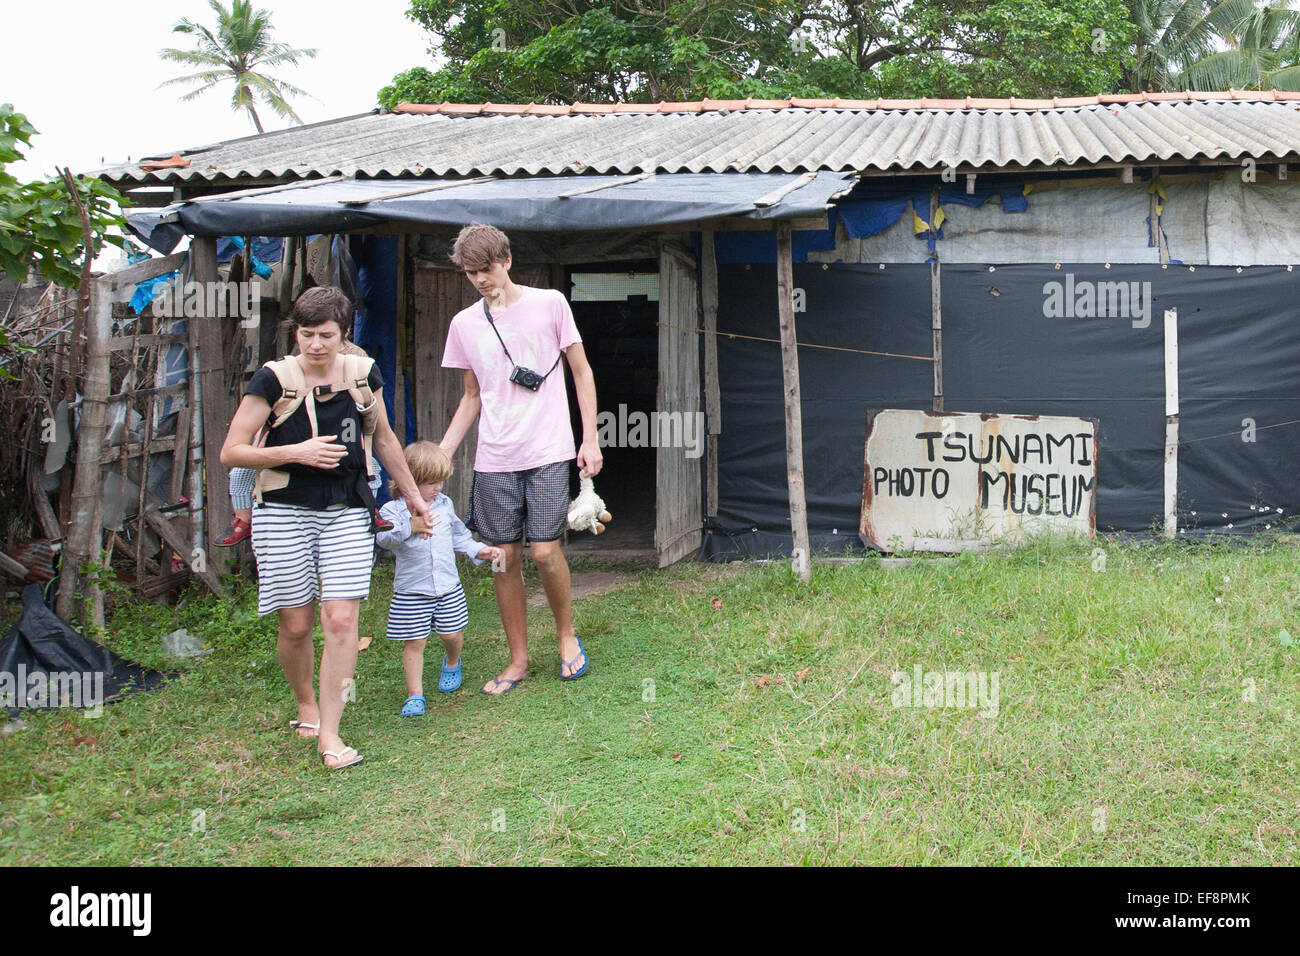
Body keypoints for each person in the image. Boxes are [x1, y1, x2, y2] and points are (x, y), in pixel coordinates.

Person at [220, 286, 431, 769]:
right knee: (295, 624)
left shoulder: (362, 375)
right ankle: (306, 704)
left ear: (344, 334)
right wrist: (296, 452)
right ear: (296, 333)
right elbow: (232, 450)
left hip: (347, 508)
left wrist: (414, 498)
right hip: (283, 507)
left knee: (340, 618)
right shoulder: (273, 379)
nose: (316, 344)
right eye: (307, 334)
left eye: (326, 335)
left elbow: (384, 438)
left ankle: (331, 735)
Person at [438, 222, 602, 695]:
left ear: (506, 260)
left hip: (549, 448)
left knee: (546, 550)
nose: (480, 279)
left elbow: (581, 370)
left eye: (486, 269)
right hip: (494, 456)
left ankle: (566, 636)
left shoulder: (551, 303)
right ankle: (518, 659)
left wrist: (589, 439)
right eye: (471, 273)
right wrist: (444, 454)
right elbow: (471, 395)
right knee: (502, 559)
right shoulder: (464, 324)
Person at [217, 339, 388, 547]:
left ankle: (373, 507)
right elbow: (241, 443)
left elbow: (379, 436)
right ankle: (243, 519)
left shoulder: (357, 379)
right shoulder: (283, 379)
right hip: (279, 469)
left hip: (340, 465)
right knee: (239, 473)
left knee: (372, 468)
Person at [376, 441, 503, 715]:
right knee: (415, 642)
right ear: (408, 480)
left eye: (441, 482)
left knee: (451, 633)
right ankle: (415, 695)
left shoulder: (444, 505)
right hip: (412, 590)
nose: (438, 488)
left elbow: (458, 535)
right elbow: (384, 539)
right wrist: (411, 526)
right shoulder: (392, 511)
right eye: (432, 482)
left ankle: (452, 661)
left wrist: (478, 550)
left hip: (448, 587)